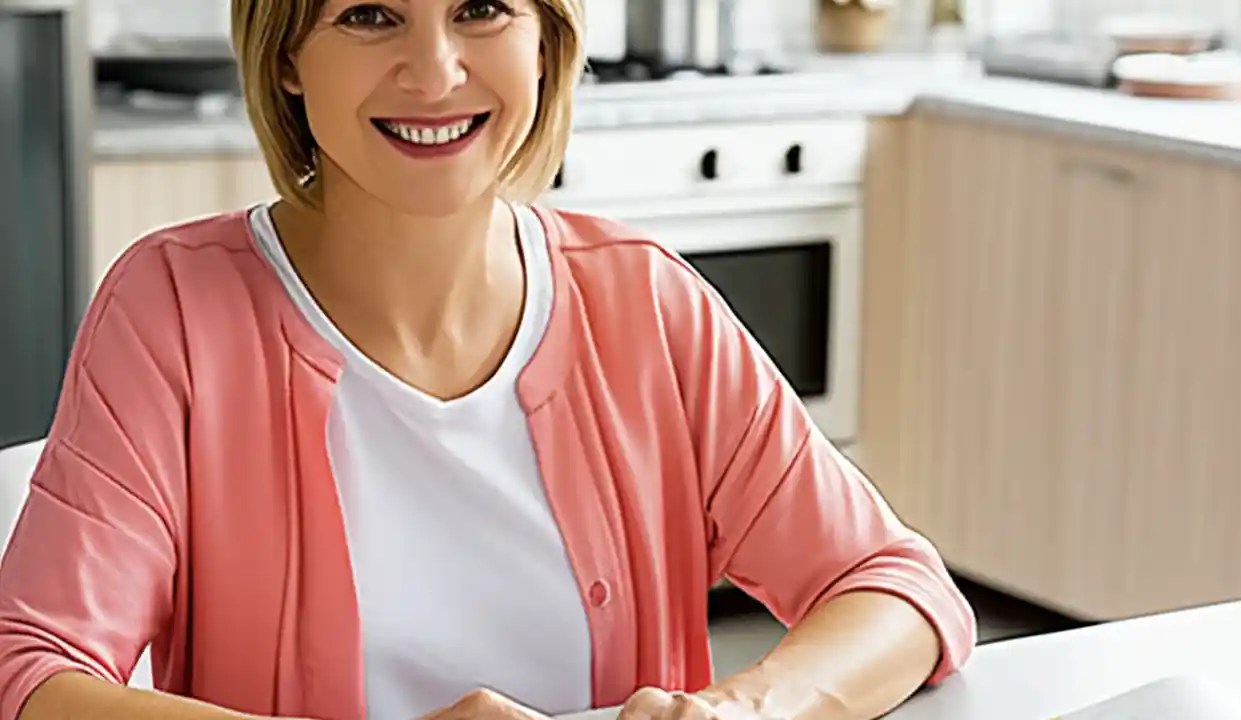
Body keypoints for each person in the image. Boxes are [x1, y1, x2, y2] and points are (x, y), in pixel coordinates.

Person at [0, 1, 976, 719]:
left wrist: (749, 707)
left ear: (545, 42)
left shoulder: (642, 301)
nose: (435, 73)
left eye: (480, 11)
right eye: (370, 16)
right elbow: (31, 672)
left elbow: (894, 586)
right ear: (287, 55)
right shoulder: (174, 311)